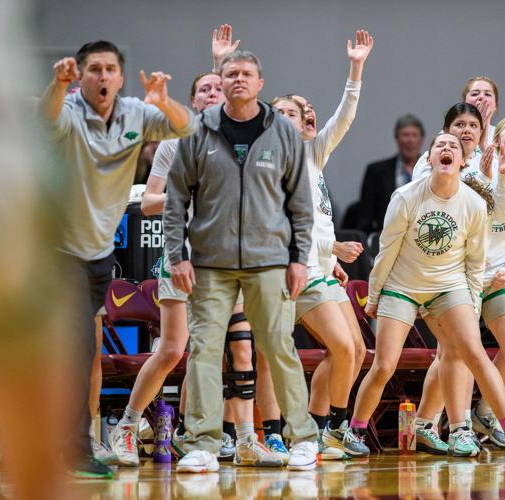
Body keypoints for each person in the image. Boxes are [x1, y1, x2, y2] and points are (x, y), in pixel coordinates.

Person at [39, 40, 195, 478]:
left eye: (109, 69)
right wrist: (57, 83)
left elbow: (188, 127)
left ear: (121, 78)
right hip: (59, 250)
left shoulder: (135, 113)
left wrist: (164, 102)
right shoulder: (68, 108)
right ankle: (67, 449)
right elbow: (44, 120)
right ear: (82, 76)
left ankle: (73, 444)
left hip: (99, 253)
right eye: (94, 69)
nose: (102, 76)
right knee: (74, 349)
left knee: (80, 351)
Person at [165, 49, 321, 472]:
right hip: (210, 264)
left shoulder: (283, 133)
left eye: (246, 74)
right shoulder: (197, 131)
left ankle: (304, 438)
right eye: (230, 73)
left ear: (259, 83)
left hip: (270, 261)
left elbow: (301, 204)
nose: (238, 79)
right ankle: (203, 444)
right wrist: (176, 256)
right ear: (221, 79)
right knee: (203, 350)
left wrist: (299, 259)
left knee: (278, 349)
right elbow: (176, 199)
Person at [350, 132, 505, 459]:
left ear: (463, 161)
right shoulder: (406, 196)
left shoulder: (475, 204)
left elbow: (475, 262)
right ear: (430, 159)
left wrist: (472, 302)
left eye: (454, 147)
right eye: (440, 146)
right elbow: (386, 251)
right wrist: (375, 296)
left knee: (473, 353)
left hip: (448, 286)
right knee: (384, 365)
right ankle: (354, 430)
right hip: (403, 285)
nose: (447, 149)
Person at [270, 29, 373, 459]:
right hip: (286, 272)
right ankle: (313, 430)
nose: (303, 116)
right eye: (291, 112)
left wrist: (356, 68)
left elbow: (344, 117)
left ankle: (317, 428)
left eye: (304, 111)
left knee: (354, 350)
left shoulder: (313, 157)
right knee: (339, 348)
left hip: (319, 267)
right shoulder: (267, 160)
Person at [354, 114, 425, 233]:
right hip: (388, 237)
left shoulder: (433, 170)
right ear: (397, 139)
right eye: (405, 135)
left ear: (421, 140)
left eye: (414, 135)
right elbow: (365, 217)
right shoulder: (376, 171)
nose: (410, 140)